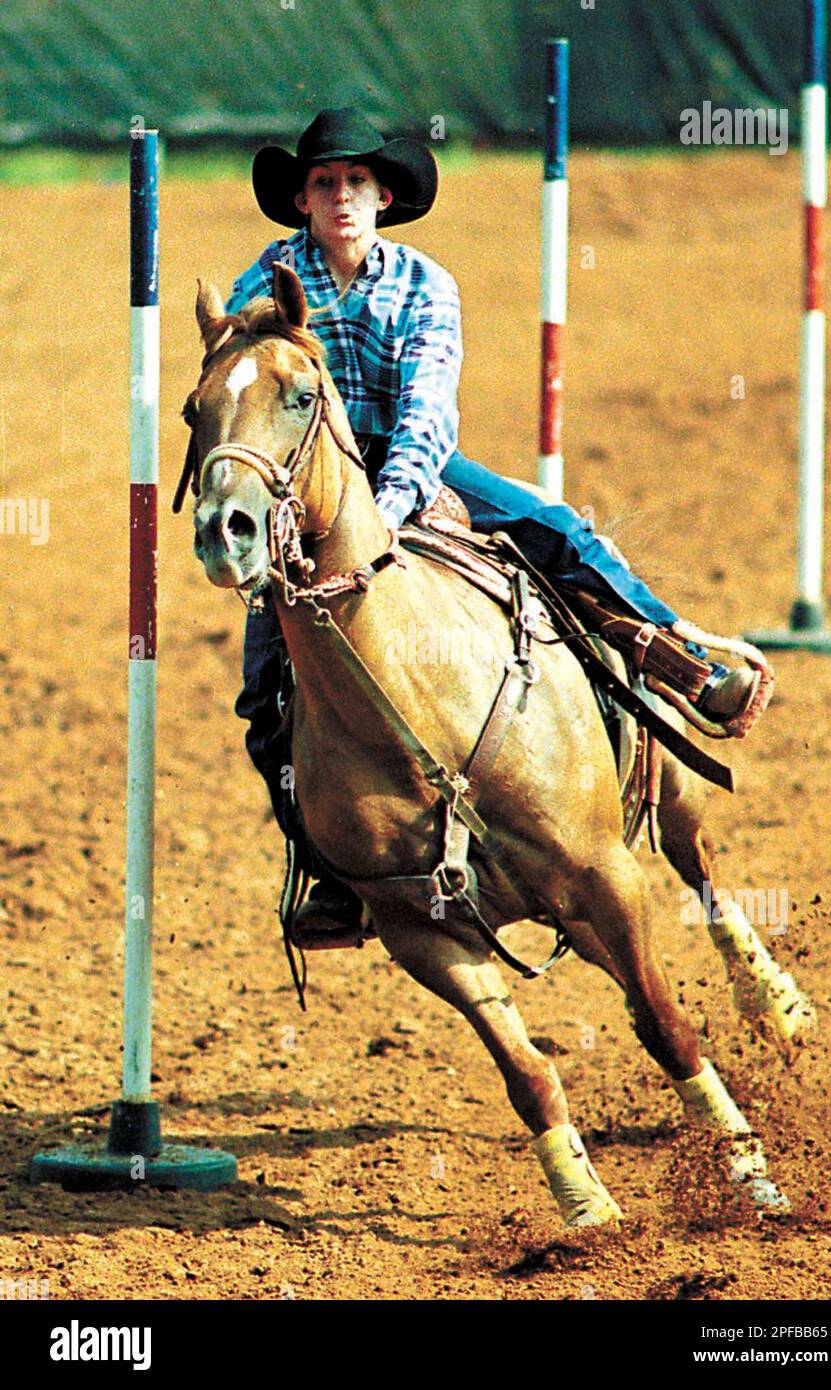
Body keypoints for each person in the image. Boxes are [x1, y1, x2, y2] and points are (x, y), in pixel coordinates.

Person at [225, 107, 766, 935]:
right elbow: (240, 369)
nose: (341, 197)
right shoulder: (263, 279)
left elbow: (427, 415)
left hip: (404, 467)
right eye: (324, 183)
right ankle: (328, 867)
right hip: (307, 481)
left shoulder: (421, 283)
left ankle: (676, 652)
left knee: (554, 530)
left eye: (356, 182)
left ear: (384, 195)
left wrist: (387, 510)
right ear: (301, 200)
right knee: (266, 689)